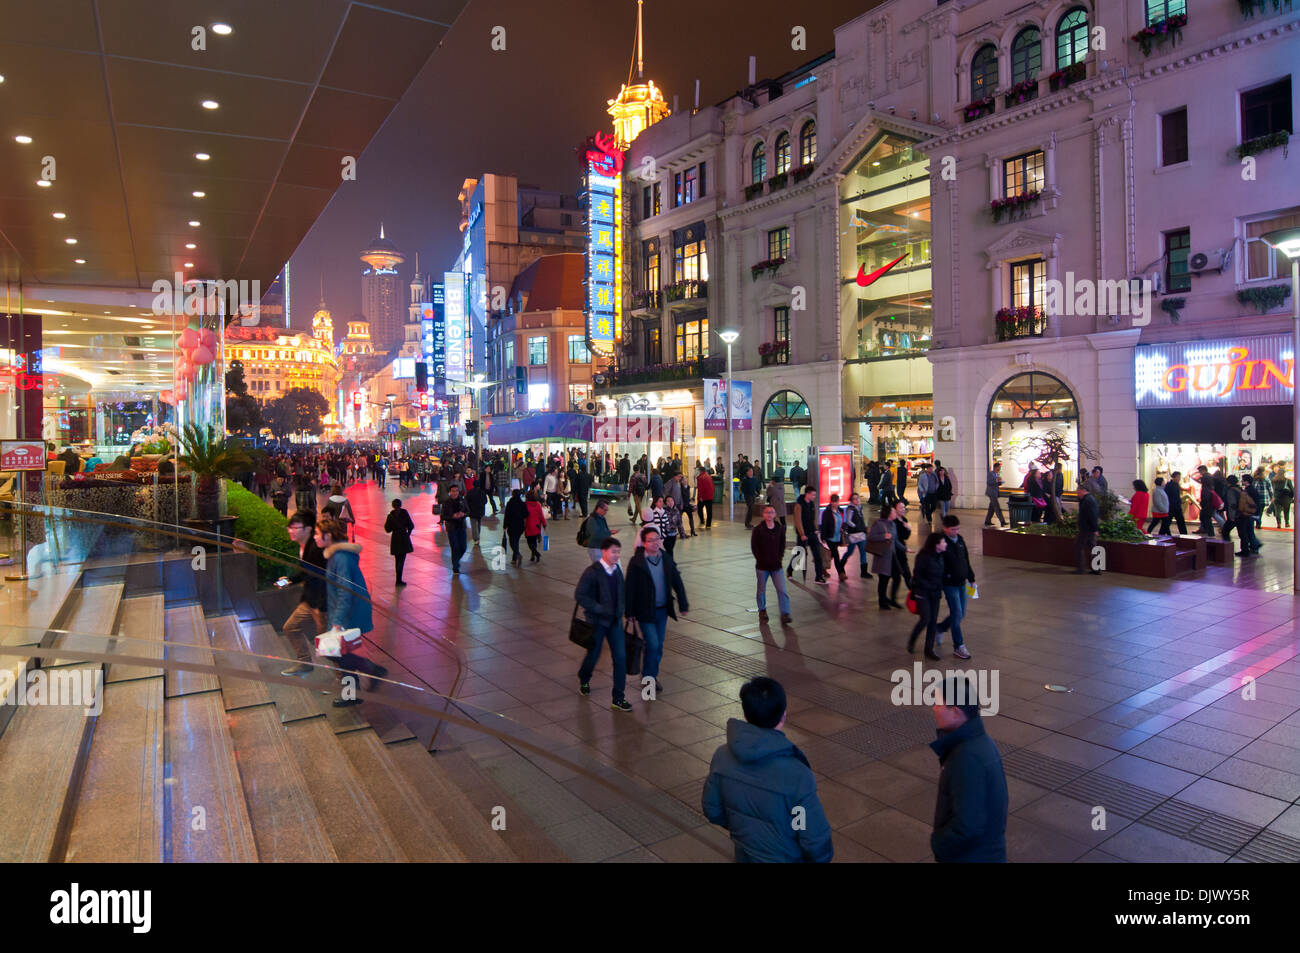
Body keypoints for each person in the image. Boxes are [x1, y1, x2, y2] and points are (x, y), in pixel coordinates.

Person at [702, 677, 833, 864]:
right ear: (783, 715)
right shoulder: (797, 774)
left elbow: (712, 809)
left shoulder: (722, 757)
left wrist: (744, 830)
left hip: (745, 851)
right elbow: (812, 836)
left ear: (747, 713)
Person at [930, 674, 1008, 863]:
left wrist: (939, 844)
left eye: (939, 704)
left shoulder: (967, 758)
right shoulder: (978, 742)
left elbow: (968, 825)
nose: (934, 708)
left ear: (956, 712)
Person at [315, 516, 388, 707]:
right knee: (339, 654)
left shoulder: (341, 558)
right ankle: (354, 692)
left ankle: (372, 670)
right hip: (344, 612)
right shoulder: (335, 556)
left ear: (328, 535)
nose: (314, 537)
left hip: (350, 613)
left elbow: (344, 592)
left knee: (335, 653)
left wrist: (337, 621)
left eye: (317, 533)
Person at [624, 525, 688, 695]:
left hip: (661, 610)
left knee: (658, 646)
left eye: (657, 539)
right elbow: (629, 588)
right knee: (652, 644)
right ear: (643, 543)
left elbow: (676, 580)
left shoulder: (665, 558)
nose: (655, 543)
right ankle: (649, 680)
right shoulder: (637, 562)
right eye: (650, 540)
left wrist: (683, 603)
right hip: (645, 612)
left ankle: (649, 674)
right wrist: (628, 611)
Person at [575, 537, 632, 711]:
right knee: (593, 655)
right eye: (614, 551)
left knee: (621, 659)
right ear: (604, 551)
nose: (617, 555)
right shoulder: (592, 572)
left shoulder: (617, 571)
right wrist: (599, 608)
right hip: (597, 623)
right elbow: (580, 595)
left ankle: (618, 697)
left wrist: (625, 612)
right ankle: (584, 677)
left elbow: (622, 593)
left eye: (618, 552)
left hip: (615, 622)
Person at [279, 511, 329, 677]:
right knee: (291, 627)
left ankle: (349, 679)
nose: (290, 531)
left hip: (322, 603)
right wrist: (289, 580)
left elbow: (322, 578)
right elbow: (306, 573)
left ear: (308, 529)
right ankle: (305, 663)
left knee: (328, 647)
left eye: (295, 528)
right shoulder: (304, 547)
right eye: (289, 527)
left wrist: (322, 608)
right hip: (310, 600)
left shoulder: (315, 549)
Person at [935, 515, 974, 660]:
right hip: (949, 584)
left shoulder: (960, 540)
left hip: (961, 583)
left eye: (957, 528)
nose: (956, 532)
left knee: (961, 613)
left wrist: (971, 578)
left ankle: (940, 628)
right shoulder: (940, 542)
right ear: (945, 528)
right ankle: (959, 646)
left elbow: (966, 560)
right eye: (953, 529)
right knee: (957, 613)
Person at [908, 532, 946, 661]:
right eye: (943, 542)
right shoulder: (923, 556)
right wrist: (930, 585)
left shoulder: (940, 556)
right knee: (925, 619)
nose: (945, 544)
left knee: (933, 621)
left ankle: (929, 649)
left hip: (935, 593)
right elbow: (917, 576)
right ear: (936, 544)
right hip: (922, 593)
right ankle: (912, 640)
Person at [751, 504, 791, 624]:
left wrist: (779, 557)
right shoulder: (758, 529)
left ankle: (785, 613)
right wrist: (760, 559)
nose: (769, 514)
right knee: (761, 590)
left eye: (772, 512)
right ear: (763, 514)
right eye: (767, 512)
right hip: (762, 566)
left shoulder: (779, 528)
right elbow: (754, 546)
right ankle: (762, 609)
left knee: (782, 590)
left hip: (776, 566)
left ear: (775, 514)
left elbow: (782, 544)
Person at [788, 485, 827, 584]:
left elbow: (814, 518)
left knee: (817, 555)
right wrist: (802, 534)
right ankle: (789, 570)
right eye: (813, 495)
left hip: (812, 533)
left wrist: (816, 529)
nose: (814, 496)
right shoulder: (799, 505)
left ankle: (818, 577)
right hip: (803, 534)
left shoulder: (812, 504)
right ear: (807, 494)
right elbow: (798, 520)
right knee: (799, 553)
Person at [868, 503, 901, 609]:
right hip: (883, 556)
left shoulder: (893, 524)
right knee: (884, 579)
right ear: (888, 513)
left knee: (897, 577)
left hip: (892, 555)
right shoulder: (878, 524)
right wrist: (883, 536)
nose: (895, 513)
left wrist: (906, 549)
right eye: (893, 511)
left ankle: (892, 598)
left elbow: (895, 540)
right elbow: (871, 537)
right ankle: (882, 601)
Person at [384, 499, 415, 586]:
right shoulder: (404, 513)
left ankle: (398, 579)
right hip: (403, 536)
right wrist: (407, 534)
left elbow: (387, 529)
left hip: (395, 538)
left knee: (397, 559)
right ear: (401, 505)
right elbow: (411, 526)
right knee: (402, 559)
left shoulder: (390, 516)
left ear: (393, 506)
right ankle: (399, 580)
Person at [819, 492, 849, 582]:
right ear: (831, 502)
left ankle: (822, 569)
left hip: (838, 537)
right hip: (830, 537)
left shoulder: (841, 511)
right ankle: (841, 573)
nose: (835, 504)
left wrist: (843, 528)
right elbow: (823, 525)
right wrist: (823, 537)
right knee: (836, 555)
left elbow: (843, 522)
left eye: (836, 502)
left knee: (831, 555)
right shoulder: (826, 513)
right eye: (833, 502)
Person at [841, 492, 872, 579]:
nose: (857, 500)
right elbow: (848, 521)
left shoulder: (859, 507)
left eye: (858, 498)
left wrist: (863, 527)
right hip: (854, 535)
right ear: (851, 500)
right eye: (855, 499)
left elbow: (861, 519)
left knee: (863, 552)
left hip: (861, 535)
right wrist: (857, 527)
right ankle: (841, 565)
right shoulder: (850, 509)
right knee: (850, 552)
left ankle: (864, 572)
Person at [442, 483, 470, 573]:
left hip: (461, 526)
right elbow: (443, 516)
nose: (455, 493)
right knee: (455, 547)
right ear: (450, 492)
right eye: (453, 491)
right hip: (452, 528)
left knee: (463, 547)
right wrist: (453, 516)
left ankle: (456, 561)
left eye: (457, 491)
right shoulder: (446, 502)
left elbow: (468, 511)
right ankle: (455, 566)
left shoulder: (462, 500)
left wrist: (463, 514)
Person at [1074, 479, 1101, 575]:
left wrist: (1095, 529)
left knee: (1079, 547)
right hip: (1089, 528)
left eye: (1078, 491)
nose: (1077, 493)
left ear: (1083, 490)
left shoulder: (1088, 501)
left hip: (1086, 529)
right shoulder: (1087, 499)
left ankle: (1081, 568)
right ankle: (1096, 569)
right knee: (1092, 547)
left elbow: (1092, 516)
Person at [503, 487, 528, 566]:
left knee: (512, 542)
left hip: (512, 525)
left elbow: (507, 515)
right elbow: (526, 514)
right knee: (516, 541)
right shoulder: (522, 503)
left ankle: (517, 554)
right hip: (520, 526)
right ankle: (514, 558)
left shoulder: (510, 503)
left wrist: (505, 525)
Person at [524, 489, 547, 563]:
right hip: (537, 526)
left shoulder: (526, 505)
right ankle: (533, 555)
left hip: (528, 526)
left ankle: (536, 553)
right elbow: (541, 516)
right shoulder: (538, 504)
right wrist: (544, 524)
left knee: (529, 542)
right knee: (534, 542)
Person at [466, 479, 488, 544]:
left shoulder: (470, 492)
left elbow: (466, 501)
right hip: (480, 511)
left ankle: (476, 538)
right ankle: (478, 536)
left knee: (473, 525)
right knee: (478, 524)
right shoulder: (482, 492)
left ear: (473, 485)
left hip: (472, 511)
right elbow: (485, 501)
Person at [984, 462, 1006, 527]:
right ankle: (1002, 521)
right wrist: (997, 480)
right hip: (992, 493)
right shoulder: (990, 474)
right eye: (999, 467)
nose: (1000, 469)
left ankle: (987, 521)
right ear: (996, 467)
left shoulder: (996, 474)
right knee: (997, 507)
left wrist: (1000, 482)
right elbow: (989, 482)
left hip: (995, 493)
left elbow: (996, 483)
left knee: (992, 508)